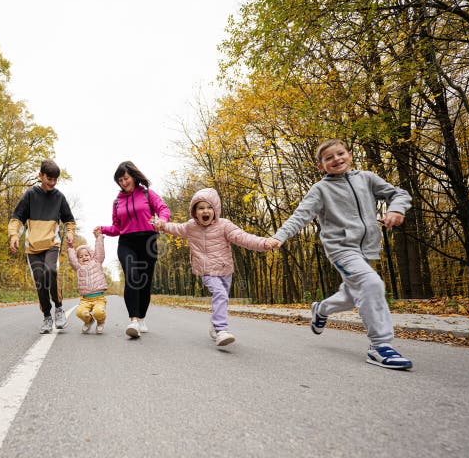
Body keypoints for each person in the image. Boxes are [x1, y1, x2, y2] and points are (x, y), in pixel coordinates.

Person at [269, 139, 413, 370]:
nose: (336, 159)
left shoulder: (367, 178)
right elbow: (300, 216)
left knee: (351, 295)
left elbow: (398, 194)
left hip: (367, 248)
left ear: (350, 155)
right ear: (321, 166)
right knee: (371, 284)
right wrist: (279, 236)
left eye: (340, 154)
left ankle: (321, 309)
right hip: (341, 249)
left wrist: (396, 209)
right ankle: (380, 346)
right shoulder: (321, 189)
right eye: (329, 158)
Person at [153, 187, 275, 347]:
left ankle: (216, 323)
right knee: (220, 294)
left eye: (209, 207)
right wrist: (161, 225)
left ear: (215, 209)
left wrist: (264, 243)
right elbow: (175, 228)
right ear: (195, 212)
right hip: (206, 270)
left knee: (222, 298)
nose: (206, 211)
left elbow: (243, 238)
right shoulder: (191, 227)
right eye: (201, 208)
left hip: (225, 269)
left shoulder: (224, 225)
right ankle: (221, 330)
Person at [96, 161, 170, 339]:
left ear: (134, 177)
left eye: (126, 178)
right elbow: (117, 228)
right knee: (132, 276)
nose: (123, 182)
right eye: (120, 180)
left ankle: (142, 317)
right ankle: (134, 320)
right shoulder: (117, 202)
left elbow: (163, 208)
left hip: (148, 241)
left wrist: (162, 220)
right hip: (127, 242)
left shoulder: (146, 193)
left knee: (145, 282)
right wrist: (102, 229)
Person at [8, 159, 76, 334]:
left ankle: (59, 308)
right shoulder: (30, 195)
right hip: (33, 247)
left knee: (50, 271)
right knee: (39, 280)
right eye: (49, 179)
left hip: (52, 244)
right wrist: (14, 235)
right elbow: (17, 218)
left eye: (55, 180)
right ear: (40, 176)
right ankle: (47, 315)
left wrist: (70, 233)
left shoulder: (59, 197)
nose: (52, 183)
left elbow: (69, 220)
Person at [67, 229, 108, 334]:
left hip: (99, 298)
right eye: (80, 257)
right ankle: (89, 321)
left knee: (98, 312)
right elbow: (72, 259)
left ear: (91, 255)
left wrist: (98, 238)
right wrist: (70, 247)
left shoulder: (97, 262)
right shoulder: (79, 267)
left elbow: (99, 251)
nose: (84, 258)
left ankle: (100, 321)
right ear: (78, 259)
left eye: (86, 255)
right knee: (80, 313)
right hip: (85, 299)